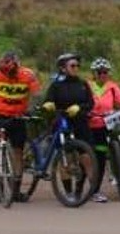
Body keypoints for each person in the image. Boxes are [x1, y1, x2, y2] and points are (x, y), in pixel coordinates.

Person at [0, 51, 40, 195]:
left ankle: (15, 190)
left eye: (11, 73)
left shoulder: (28, 75)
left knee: (18, 152)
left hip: (18, 118)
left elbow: (36, 95)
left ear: (17, 66)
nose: (9, 76)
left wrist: (31, 110)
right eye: (5, 73)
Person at [84, 58, 120, 203]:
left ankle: (96, 190)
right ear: (94, 73)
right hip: (88, 124)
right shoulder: (87, 85)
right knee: (86, 156)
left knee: (100, 157)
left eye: (105, 72)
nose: (102, 75)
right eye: (99, 72)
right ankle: (81, 187)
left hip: (104, 125)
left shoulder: (112, 87)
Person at [40, 54, 94, 189]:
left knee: (86, 156)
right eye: (72, 66)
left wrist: (80, 107)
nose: (76, 68)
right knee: (65, 156)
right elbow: (48, 100)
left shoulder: (83, 84)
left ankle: (92, 188)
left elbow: (90, 103)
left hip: (80, 121)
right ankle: (68, 190)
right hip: (62, 121)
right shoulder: (56, 85)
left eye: (77, 66)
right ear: (63, 68)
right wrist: (48, 105)